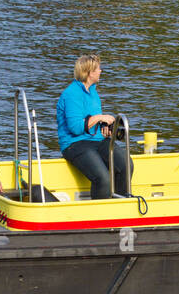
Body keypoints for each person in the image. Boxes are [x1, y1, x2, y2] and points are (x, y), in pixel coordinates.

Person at [57, 54, 133, 200]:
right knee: (103, 178)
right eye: (98, 68)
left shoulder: (93, 92)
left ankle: (119, 208)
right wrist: (99, 117)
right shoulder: (71, 94)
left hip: (96, 141)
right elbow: (75, 127)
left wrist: (105, 126)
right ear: (89, 73)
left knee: (126, 166)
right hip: (75, 144)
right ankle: (101, 217)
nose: (101, 71)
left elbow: (91, 119)